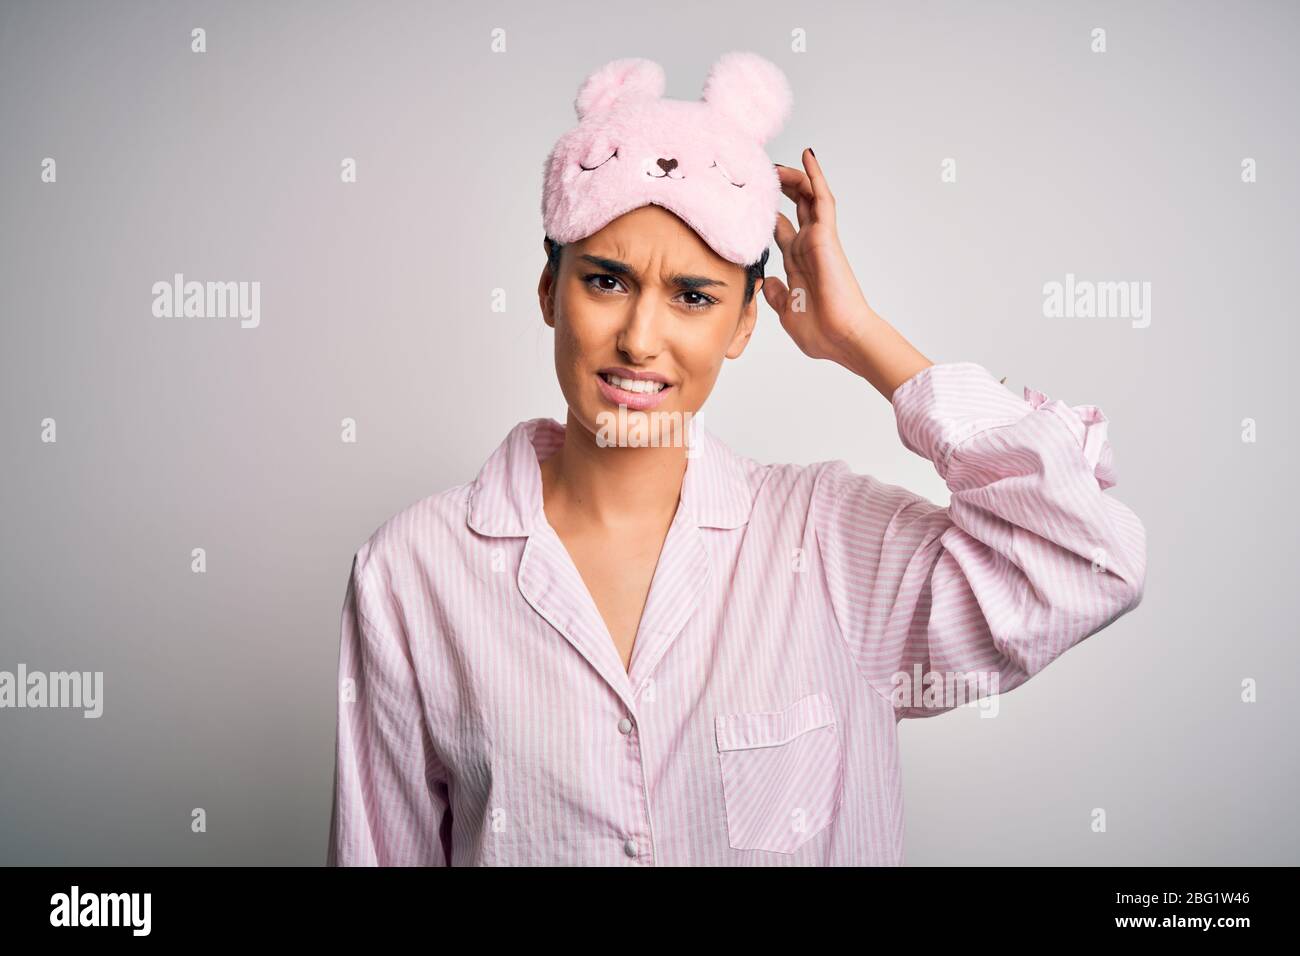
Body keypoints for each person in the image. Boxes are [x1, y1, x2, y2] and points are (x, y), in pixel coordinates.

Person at [326, 51, 1146, 866]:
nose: (641, 339)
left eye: (694, 297)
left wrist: (862, 339)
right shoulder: (412, 572)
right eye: (606, 282)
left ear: (746, 322)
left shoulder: (830, 544)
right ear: (549, 291)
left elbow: (1087, 559)